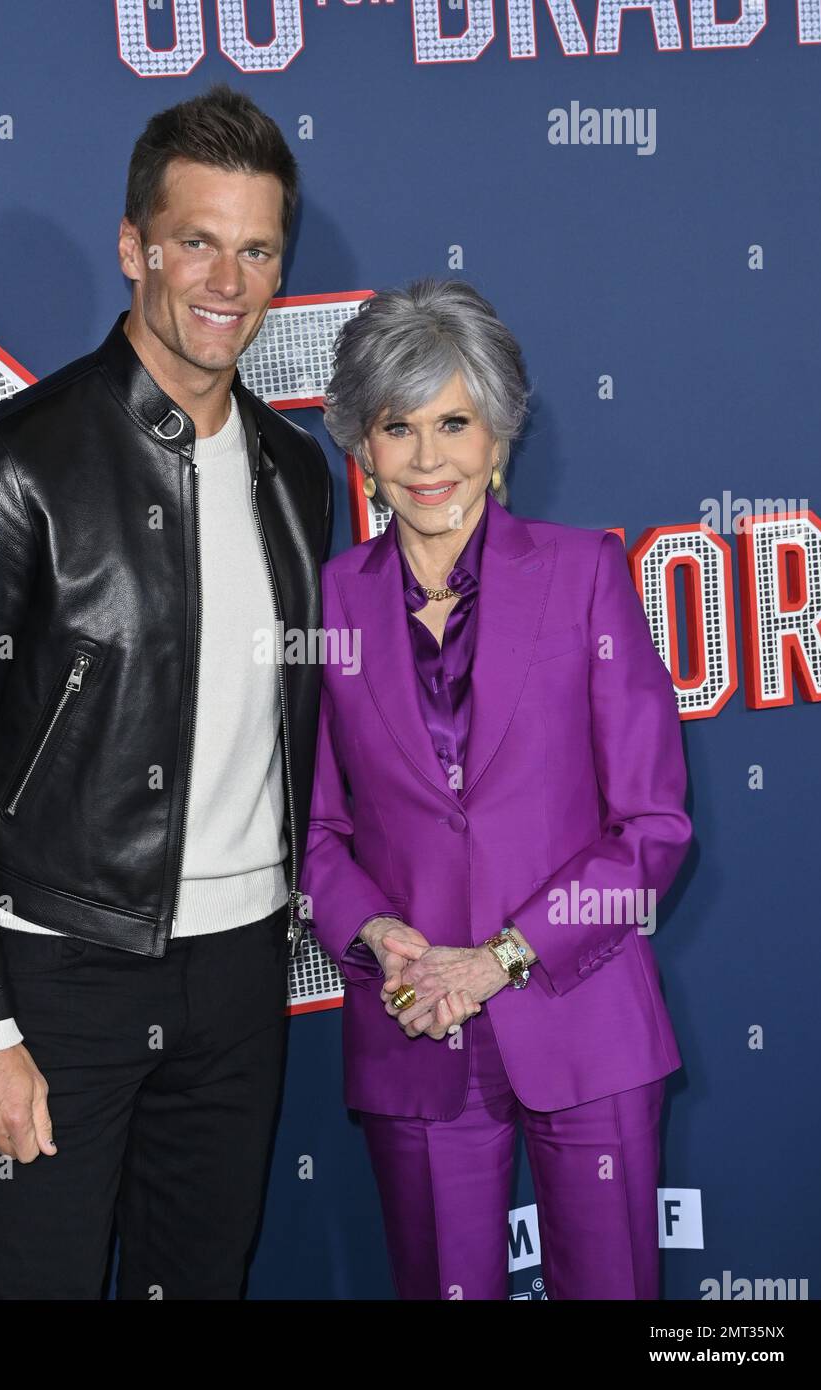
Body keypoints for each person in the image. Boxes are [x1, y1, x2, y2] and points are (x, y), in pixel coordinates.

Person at [0, 83, 332, 1299]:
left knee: (200, 1283)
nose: (225, 280)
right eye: (195, 240)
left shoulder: (297, 470)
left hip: (240, 970)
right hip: (62, 972)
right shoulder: (13, 464)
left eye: (254, 249)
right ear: (134, 247)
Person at [299, 278, 691, 1300]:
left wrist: (503, 958)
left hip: (582, 1016)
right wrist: (381, 938)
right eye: (397, 426)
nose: (426, 459)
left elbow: (651, 829)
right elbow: (313, 833)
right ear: (361, 446)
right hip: (414, 1026)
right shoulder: (329, 602)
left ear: (498, 435)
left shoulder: (583, 575)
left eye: (453, 422)